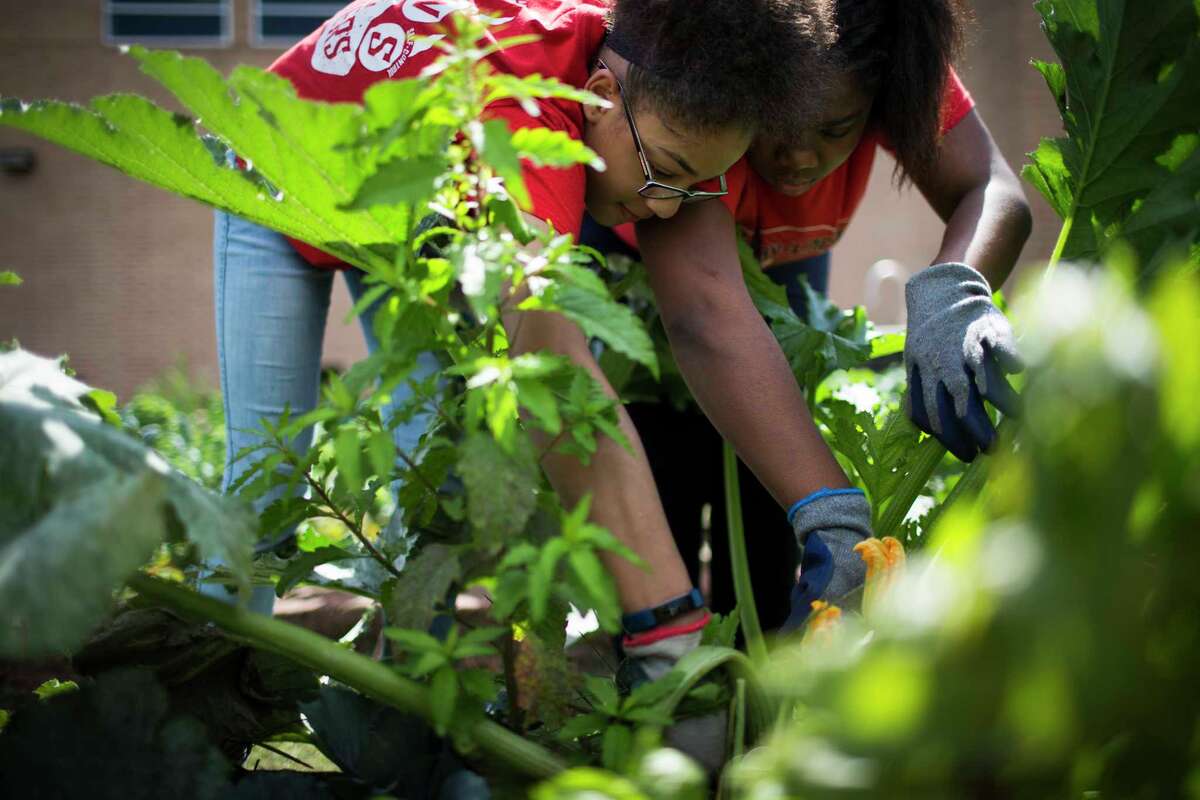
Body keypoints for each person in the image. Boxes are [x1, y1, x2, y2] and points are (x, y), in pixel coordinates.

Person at [210, 0, 844, 695]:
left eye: (695, 185)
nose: (666, 207)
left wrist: (830, 512)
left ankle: (410, 736)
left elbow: (708, 310)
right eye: (666, 171)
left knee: (433, 500)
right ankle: (205, 708)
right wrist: (670, 637)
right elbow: (553, 376)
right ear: (599, 100)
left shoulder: (651, 68)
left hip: (397, 203)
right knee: (263, 493)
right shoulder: (524, 105)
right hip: (279, 169)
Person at [587, 0, 1032, 630]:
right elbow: (705, 311)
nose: (797, 158)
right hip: (639, 265)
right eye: (779, 127)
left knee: (770, 518)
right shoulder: (717, 64)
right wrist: (835, 512)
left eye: (834, 130)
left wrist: (952, 290)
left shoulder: (886, 58)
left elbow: (992, 189)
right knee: (666, 477)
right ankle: (668, 681)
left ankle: (761, 682)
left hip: (781, 266)